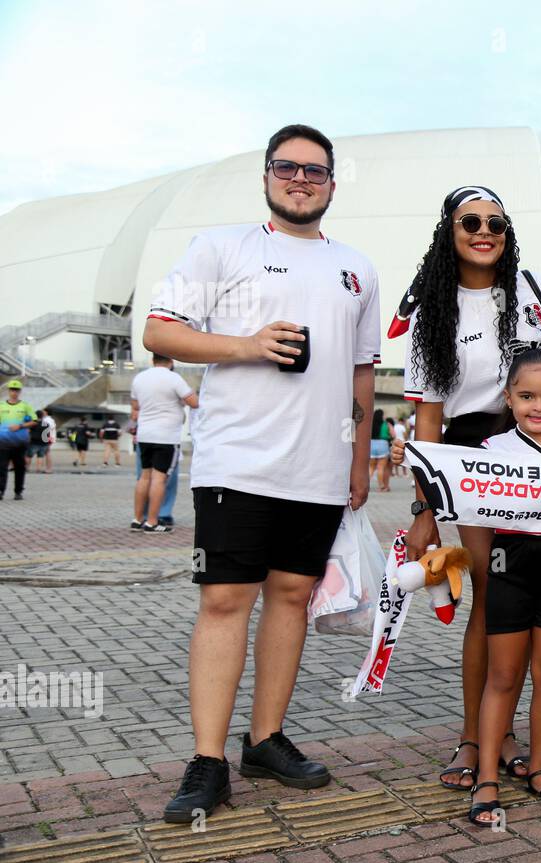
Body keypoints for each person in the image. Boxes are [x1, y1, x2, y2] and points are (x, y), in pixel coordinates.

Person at [143, 123, 380, 823]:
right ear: (268, 176)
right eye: (288, 168)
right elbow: (160, 331)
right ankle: (208, 760)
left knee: (290, 599)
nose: (301, 180)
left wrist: (360, 456)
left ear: (333, 184)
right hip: (236, 463)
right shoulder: (220, 246)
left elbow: (363, 371)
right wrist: (245, 346)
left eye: (315, 171)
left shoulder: (357, 268)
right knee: (224, 603)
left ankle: (266, 739)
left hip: (318, 467)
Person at [396, 184, 541, 791]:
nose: (485, 231)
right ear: (449, 231)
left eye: (497, 223)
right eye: (470, 222)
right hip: (471, 458)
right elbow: (428, 419)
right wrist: (424, 509)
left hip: (538, 450)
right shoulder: (434, 309)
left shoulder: (532, 292)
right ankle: (474, 736)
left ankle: (510, 737)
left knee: (534, 580)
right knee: (489, 597)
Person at [469, 349, 541, 826]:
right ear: (509, 398)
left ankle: (538, 767)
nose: (539, 407)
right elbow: (449, 487)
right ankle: (486, 776)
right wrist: (407, 455)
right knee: (502, 676)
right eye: (527, 396)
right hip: (508, 570)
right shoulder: (491, 452)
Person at [130, 354, 197, 533]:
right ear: (171, 361)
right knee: (159, 479)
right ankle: (153, 522)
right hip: (166, 436)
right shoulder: (174, 378)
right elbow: (194, 402)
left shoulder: (139, 378)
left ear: (152, 360)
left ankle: (137, 520)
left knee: (144, 477)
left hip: (145, 435)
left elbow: (135, 406)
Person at [1, 379, 37, 500]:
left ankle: (18, 491)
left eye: (16, 390)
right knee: (2, 467)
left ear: (20, 392)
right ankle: (1, 491)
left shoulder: (25, 406)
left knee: (20, 467)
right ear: (8, 391)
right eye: (12, 390)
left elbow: (35, 421)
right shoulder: (1, 405)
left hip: (20, 443)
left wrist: (20, 426)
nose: (14, 392)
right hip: (3, 442)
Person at [368, 409, 391, 492]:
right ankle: (381, 486)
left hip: (372, 444)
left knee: (371, 467)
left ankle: (366, 485)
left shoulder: (370, 424)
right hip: (383, 444)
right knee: (380, 467)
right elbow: (393, 434)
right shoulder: (386, 424)